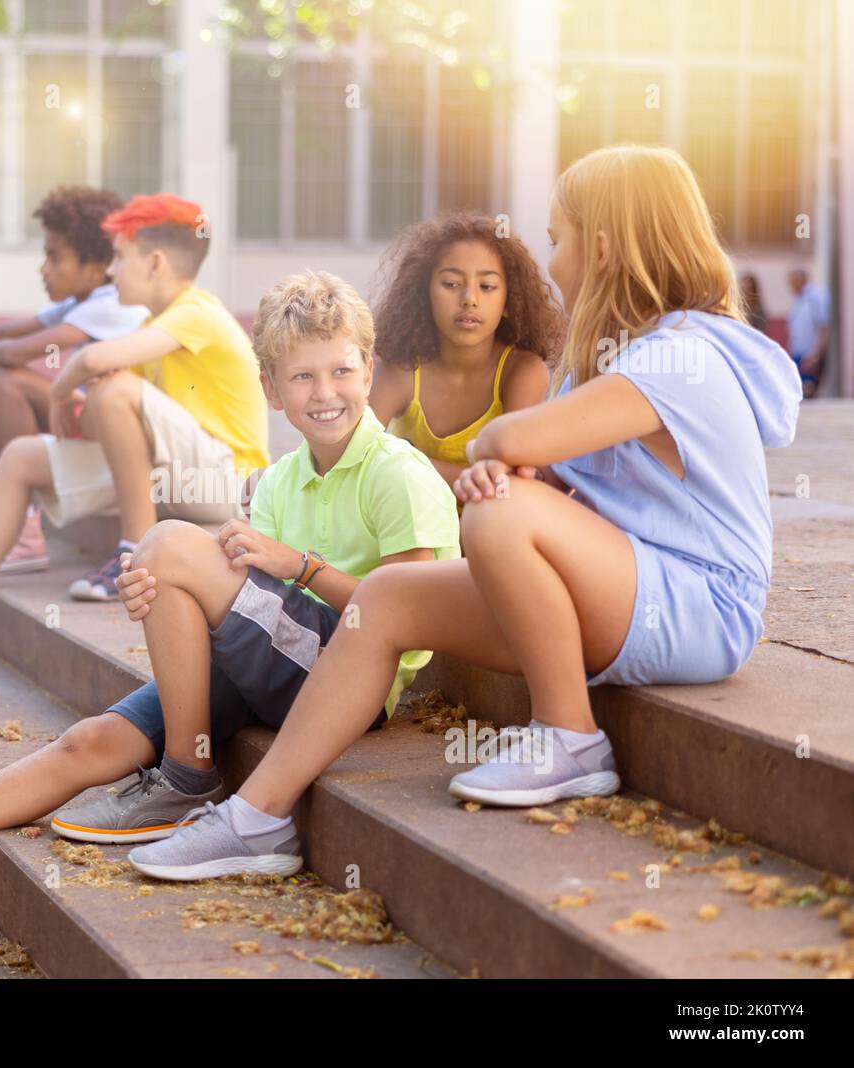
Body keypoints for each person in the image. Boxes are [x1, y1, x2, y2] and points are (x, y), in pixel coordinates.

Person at [121, 144, 802, 881]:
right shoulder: (616, 356)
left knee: (501, 512)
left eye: (557, 237)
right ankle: (257, 819)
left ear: (602, 244)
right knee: (386, 597)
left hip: (701, 607)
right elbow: (540, 465)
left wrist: (499, 464)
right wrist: (507, 468)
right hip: (628, 589)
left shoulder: (684, 356)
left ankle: (570, 736)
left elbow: (515, 440)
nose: (549, 259)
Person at [0, 270, 458, 919]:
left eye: (341, 370)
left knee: (171, 541)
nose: (325, 391)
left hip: (346, 680)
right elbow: (255, 592)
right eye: (302, 377)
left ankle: (187, 774)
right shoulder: (279, 480)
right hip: (274, 664)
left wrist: (294, 564)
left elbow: (404, 613)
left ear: (369, 370)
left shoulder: (397, 473)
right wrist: (167, 594)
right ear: (273, 390)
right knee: (87, 738)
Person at [0, 193, 270, 654]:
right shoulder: (149, 325)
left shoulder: (197, 311)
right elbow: (102, 415)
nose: (111, 271)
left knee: (112, 386)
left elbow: (96, 363)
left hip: (228, 486)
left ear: (155, 264)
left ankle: (130, 551)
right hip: (175, 478)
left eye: (118, 257)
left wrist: (61, 392)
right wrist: (81, 403)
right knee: (22, 456)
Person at [0, 186, 148, 576]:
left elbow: (13, 351)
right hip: (88, 427)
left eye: (55, 258)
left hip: (120, 442)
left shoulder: (112, 305)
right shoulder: (79, 301)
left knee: (7, 383)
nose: (44, 268)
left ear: (96, 268)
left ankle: (22, 533)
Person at [369, 213, 561, 490]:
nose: (469, 299)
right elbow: (356, 453)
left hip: (489, 525)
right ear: (424, 294)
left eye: (487, 287)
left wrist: (406, 462)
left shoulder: (522, 371)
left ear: (510, 301)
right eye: (451, 284)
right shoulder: (399, 371)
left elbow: (512, 483)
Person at [785, 267, 830, 398]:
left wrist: (816, 354)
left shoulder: (816, 297)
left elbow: (824, 327)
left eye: (792, 282)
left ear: (801, 280)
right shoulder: (799, 299)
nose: (790, 286)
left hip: (810, 355)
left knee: (808, 394)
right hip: (798, 354)